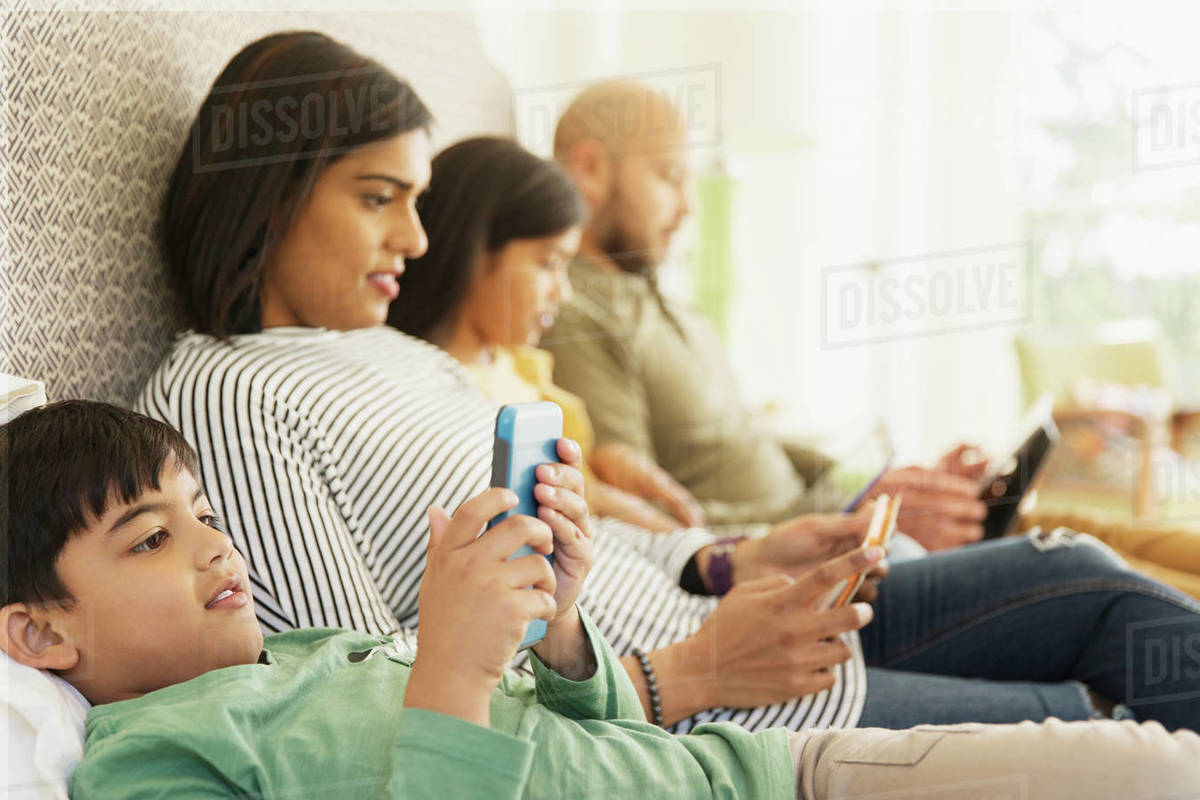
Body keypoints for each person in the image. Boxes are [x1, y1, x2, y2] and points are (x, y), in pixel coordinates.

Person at [138, 31, 1200, 733]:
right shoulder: (229, 399)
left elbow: (581, 529)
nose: (415, 237)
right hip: (685, 697)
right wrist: (685, 670)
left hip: (718, 617)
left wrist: (735, 555)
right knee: (1089, 713)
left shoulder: (401, 353)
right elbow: (376, 694)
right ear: (269, 194)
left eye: (418, 199)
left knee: (1085, 572)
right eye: (380, 197)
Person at [5, 401, 1200, 799]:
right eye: (153, 535)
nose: (215, 545)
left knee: (1144, 753)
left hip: (757, 765)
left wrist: (563, 631)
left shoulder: (301, 654)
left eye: (204, 511)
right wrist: (454, 673)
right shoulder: (148, 759)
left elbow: (563, 739)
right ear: (38, 630)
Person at [543, 81, 990, 548]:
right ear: (589, 169)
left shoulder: (673, 308)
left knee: (1009, 530)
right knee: (1060, 566)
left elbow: (748, 444)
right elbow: (641, 524)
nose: (688, 209)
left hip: (822, 532)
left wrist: (882, 487)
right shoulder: (575, 317)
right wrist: (849, 517)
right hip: (788, 564)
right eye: (670, 176)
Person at [389, 135, 704, 533]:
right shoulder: (440, 394)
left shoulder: (518, 365)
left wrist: (604, 466)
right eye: (547, 264)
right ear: (472, 250)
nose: (564, 292)